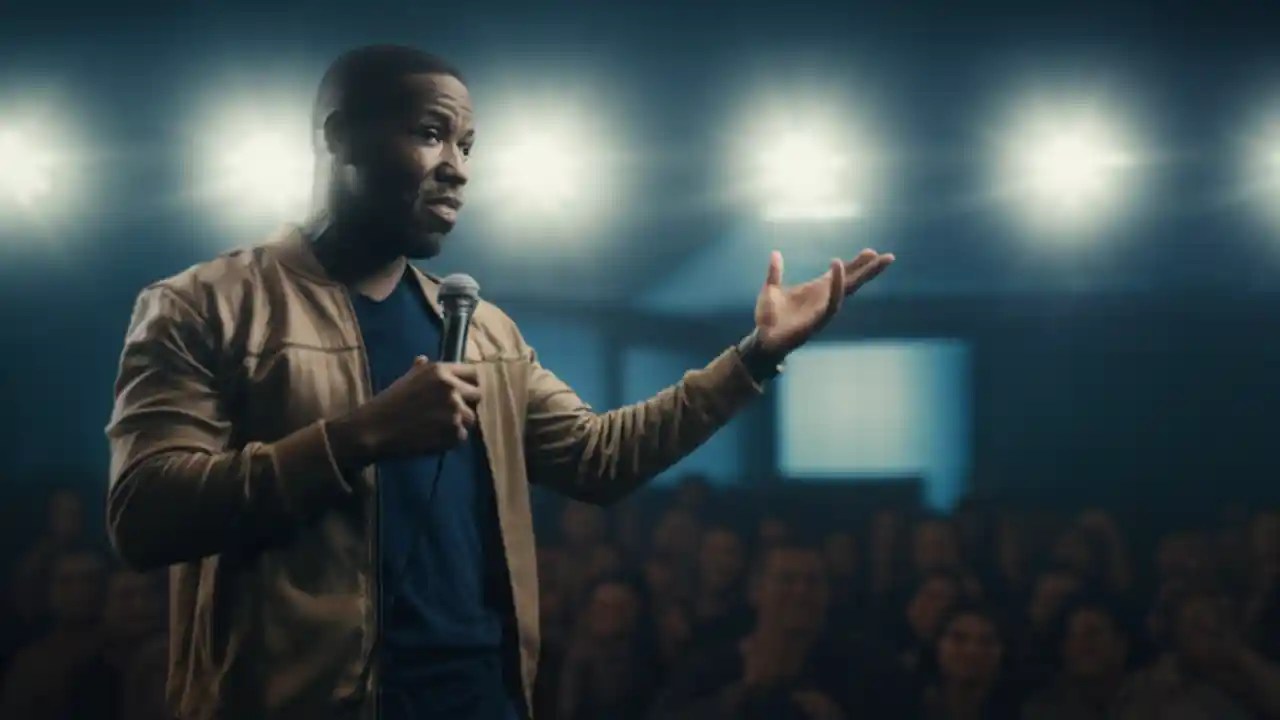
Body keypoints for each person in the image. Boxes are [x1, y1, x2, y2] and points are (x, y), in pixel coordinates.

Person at [103, 44, 895, 720]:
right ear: (341, 138)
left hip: (480, 698)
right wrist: (360, 435)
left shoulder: (485, 331)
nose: (457, 170)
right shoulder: (206, 305)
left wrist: (753, 356)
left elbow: (599, 458)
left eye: (468, 146)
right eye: (430, 134)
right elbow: (146, 513)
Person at [650, 543, 852, 720]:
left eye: (813, 581)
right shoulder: (710, 664)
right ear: (756, 591)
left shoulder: (852, 670)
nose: (801, 592)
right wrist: (740, 695)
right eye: (787, 579)